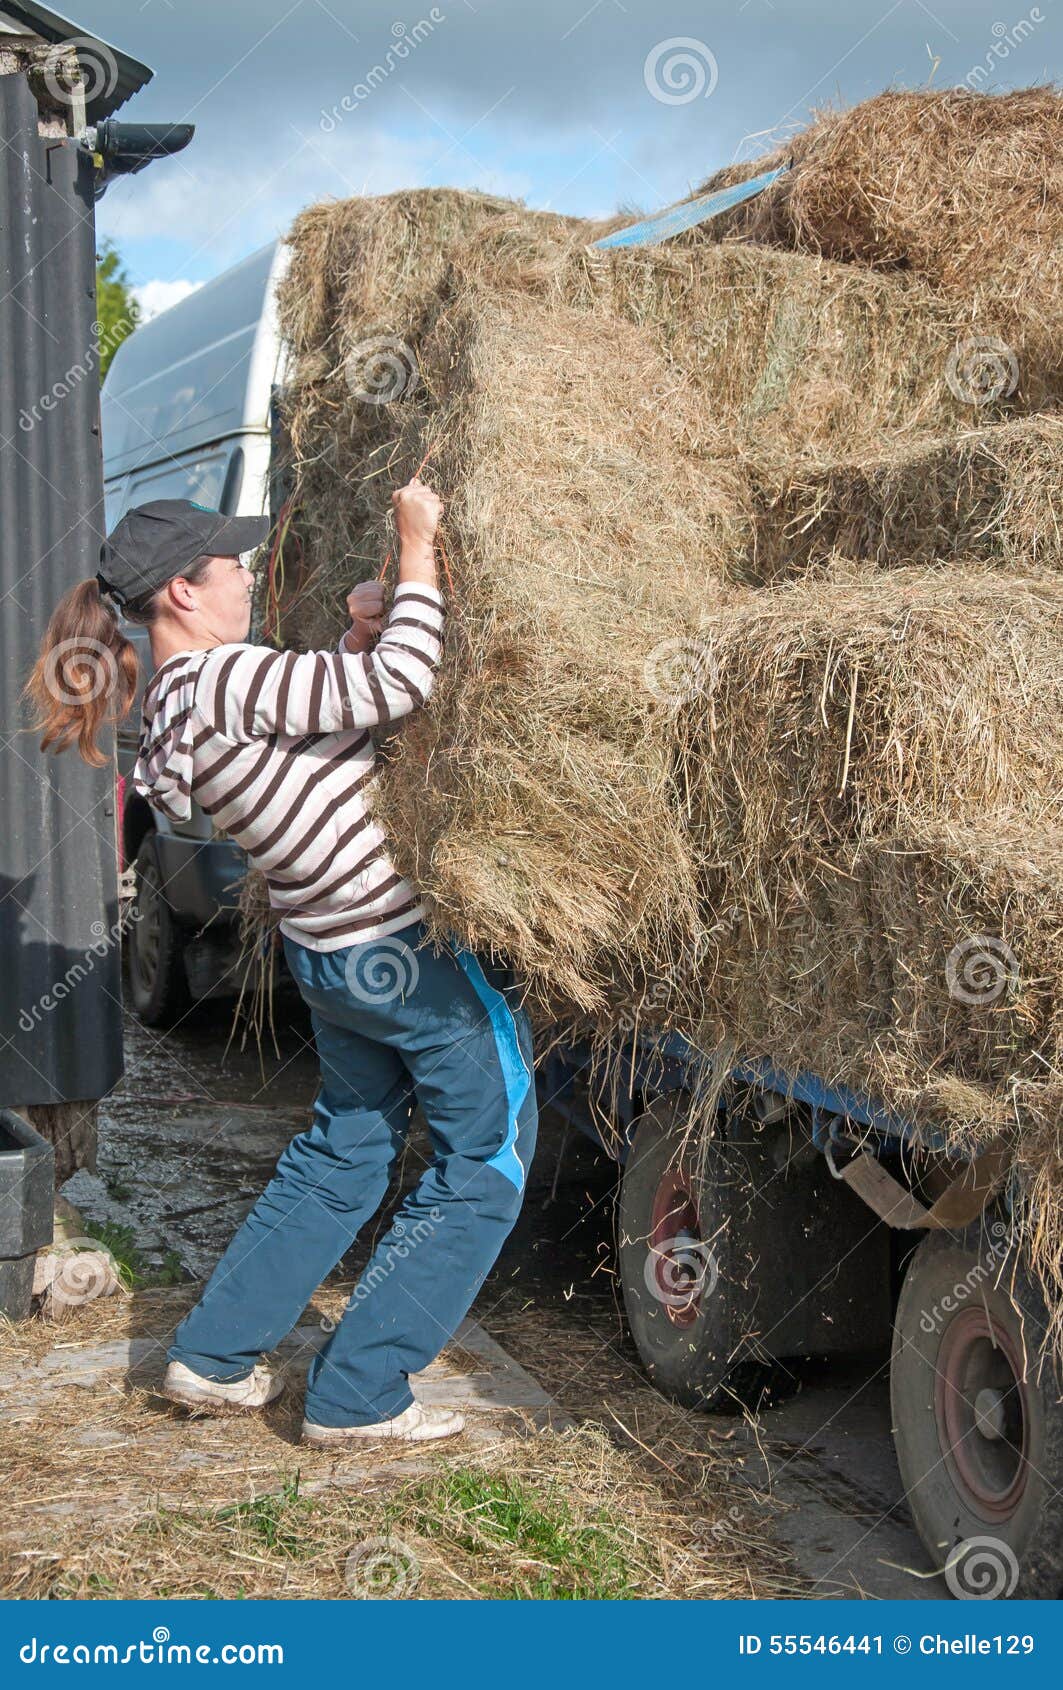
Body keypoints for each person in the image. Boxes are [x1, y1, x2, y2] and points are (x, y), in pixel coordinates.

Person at [25, 483, 538, 1445]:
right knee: (489, 1155)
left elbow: (313, 740)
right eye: (231, 565)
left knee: (346, 1151)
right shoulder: (223, 677)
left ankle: (213, 1354)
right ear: (182, 591)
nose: (249, 575)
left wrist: (351, 640)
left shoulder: (181, 699)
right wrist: (417, 548)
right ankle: (359, 1397)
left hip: (327, 951)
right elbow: (400, 691)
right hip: (396, 944)